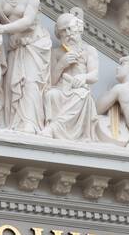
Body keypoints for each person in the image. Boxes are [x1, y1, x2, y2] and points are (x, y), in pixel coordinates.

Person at [0, 0, 50, 134]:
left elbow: (27, 21)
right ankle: (15, 121)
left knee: (29, 81)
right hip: (15, 48)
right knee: (14, 84)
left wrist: (3, 28)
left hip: (34, 45)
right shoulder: (2, 0)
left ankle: (29, 122)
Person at [40, 8, 100, 141]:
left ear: (78, 29)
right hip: (61, 89)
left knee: (81, 96)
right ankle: (53, 127)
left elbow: (94, 75)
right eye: (63, 31)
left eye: (70, 29)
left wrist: (83, 77)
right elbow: (51, 81)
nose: (68, 34)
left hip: (79, 91)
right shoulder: (56, 53)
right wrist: (61, 64)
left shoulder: (89, 50)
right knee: (50, 94)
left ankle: (53, 128)